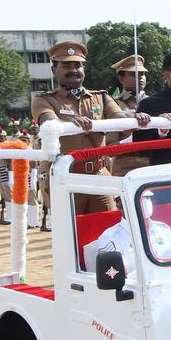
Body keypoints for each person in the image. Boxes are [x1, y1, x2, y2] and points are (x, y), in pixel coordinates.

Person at [31, 41, 143, 214]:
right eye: (66, 65)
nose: (73, 70)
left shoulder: (101, 97)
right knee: (70, 230)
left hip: (99, 175)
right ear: (54, 70)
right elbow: (49, 123)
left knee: (105, 226)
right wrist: (71, 124)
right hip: (65, 176)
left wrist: (136, 119)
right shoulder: (44, 99)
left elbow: (120, 121)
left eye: (78, 65)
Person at [107, 54, 151, 178]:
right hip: (126, 168)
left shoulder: (154, 102)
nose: (140, 77)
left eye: (142, 74)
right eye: (134, 74)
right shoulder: (113, 105)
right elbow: (109, 147)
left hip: (153, 165)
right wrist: (129, 141)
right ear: (121, 78)